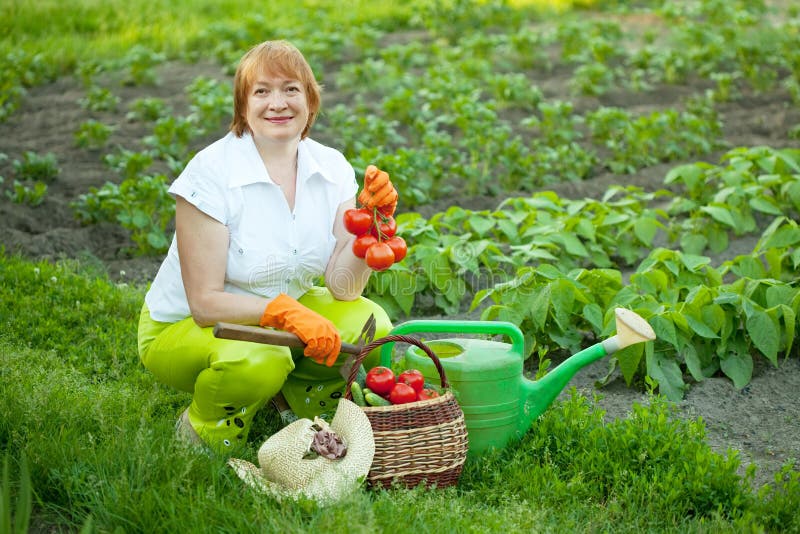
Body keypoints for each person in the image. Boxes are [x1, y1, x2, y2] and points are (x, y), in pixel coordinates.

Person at [136, 40, 397, 454]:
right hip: (186, 326)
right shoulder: (211, 173)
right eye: (262, 91)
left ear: (310, 102)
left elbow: (343, 287)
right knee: (263, 357)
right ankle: (204, 429)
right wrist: (285, 313)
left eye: (291, 89)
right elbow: (204, 304)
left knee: (371, 323)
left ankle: (305, 399)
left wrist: (371, 230)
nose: (278, 103)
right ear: (243, 107)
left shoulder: (331, 168)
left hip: (279, 311)